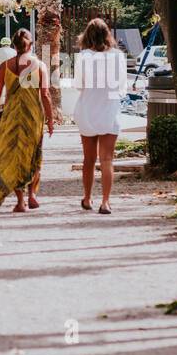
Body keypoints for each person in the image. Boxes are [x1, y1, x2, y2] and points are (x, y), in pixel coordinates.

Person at [0, 28, 53, 212]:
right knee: (34, 155)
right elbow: (45, 94)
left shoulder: (5, 66)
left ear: (14, 45)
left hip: (10, 116)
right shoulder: (40, 66)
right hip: (33, 116)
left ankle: (20, 201)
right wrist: (51, 119)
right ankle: (32, 196)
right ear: (30, 44)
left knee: (14, 157)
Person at [72, 18, 128, 214]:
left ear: (87, 35)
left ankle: (87, 198)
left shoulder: (84, 56)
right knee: (107, 159)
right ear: (107, 34)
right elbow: (122, 86)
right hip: (109, 109)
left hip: (88, 108)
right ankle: (105, 202)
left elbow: (79, 84)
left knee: (88, 159)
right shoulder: (117, 56)